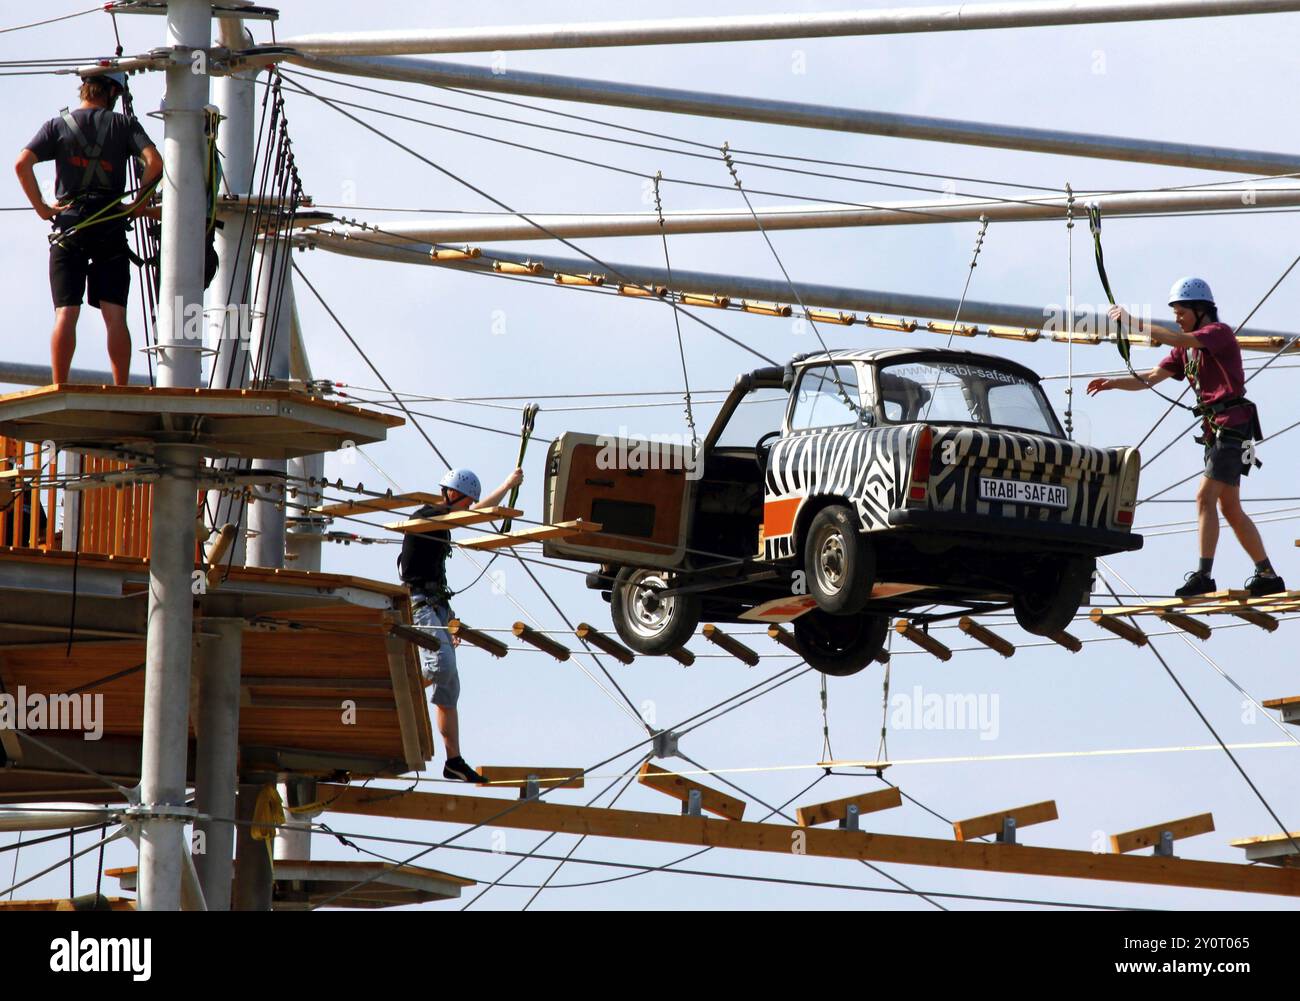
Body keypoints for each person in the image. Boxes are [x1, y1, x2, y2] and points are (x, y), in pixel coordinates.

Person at [1087, 277, 1284, 598]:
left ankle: (1204, 576)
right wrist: (1112, 383)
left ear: (1200, 310)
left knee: (1204, 497)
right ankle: (1267, 574)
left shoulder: (1216, 334)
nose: (1176, 318)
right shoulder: (1186, 350)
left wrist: (1132, 322)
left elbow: (1180, 339)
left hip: (1231, 427)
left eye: (1181, 311)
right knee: (1230, 508)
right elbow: (1151, 377)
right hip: (1218, 431)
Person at [14, 72, 162, 386]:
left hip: (69, 226)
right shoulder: (123, 125)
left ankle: (60, 384)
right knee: (115, 315)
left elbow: (21, 164)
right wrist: (137, 205)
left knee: (66, 313)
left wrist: (42, 208)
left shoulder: (57, 125)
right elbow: (154, 161)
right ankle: (120, 387)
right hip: (109, 223)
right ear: (111, 92)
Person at [399, 465, 524, 782]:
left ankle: (453, 760)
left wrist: (450, 617)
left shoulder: (443, 522)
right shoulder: (427, 515)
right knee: (440, 666)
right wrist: (507, 484)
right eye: (467, 502)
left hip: (437, 604)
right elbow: (475, 514)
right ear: (453, 494)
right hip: (420, 604)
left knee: (450, 682)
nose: (469, 509)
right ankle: (397, 689)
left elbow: (471, 514)